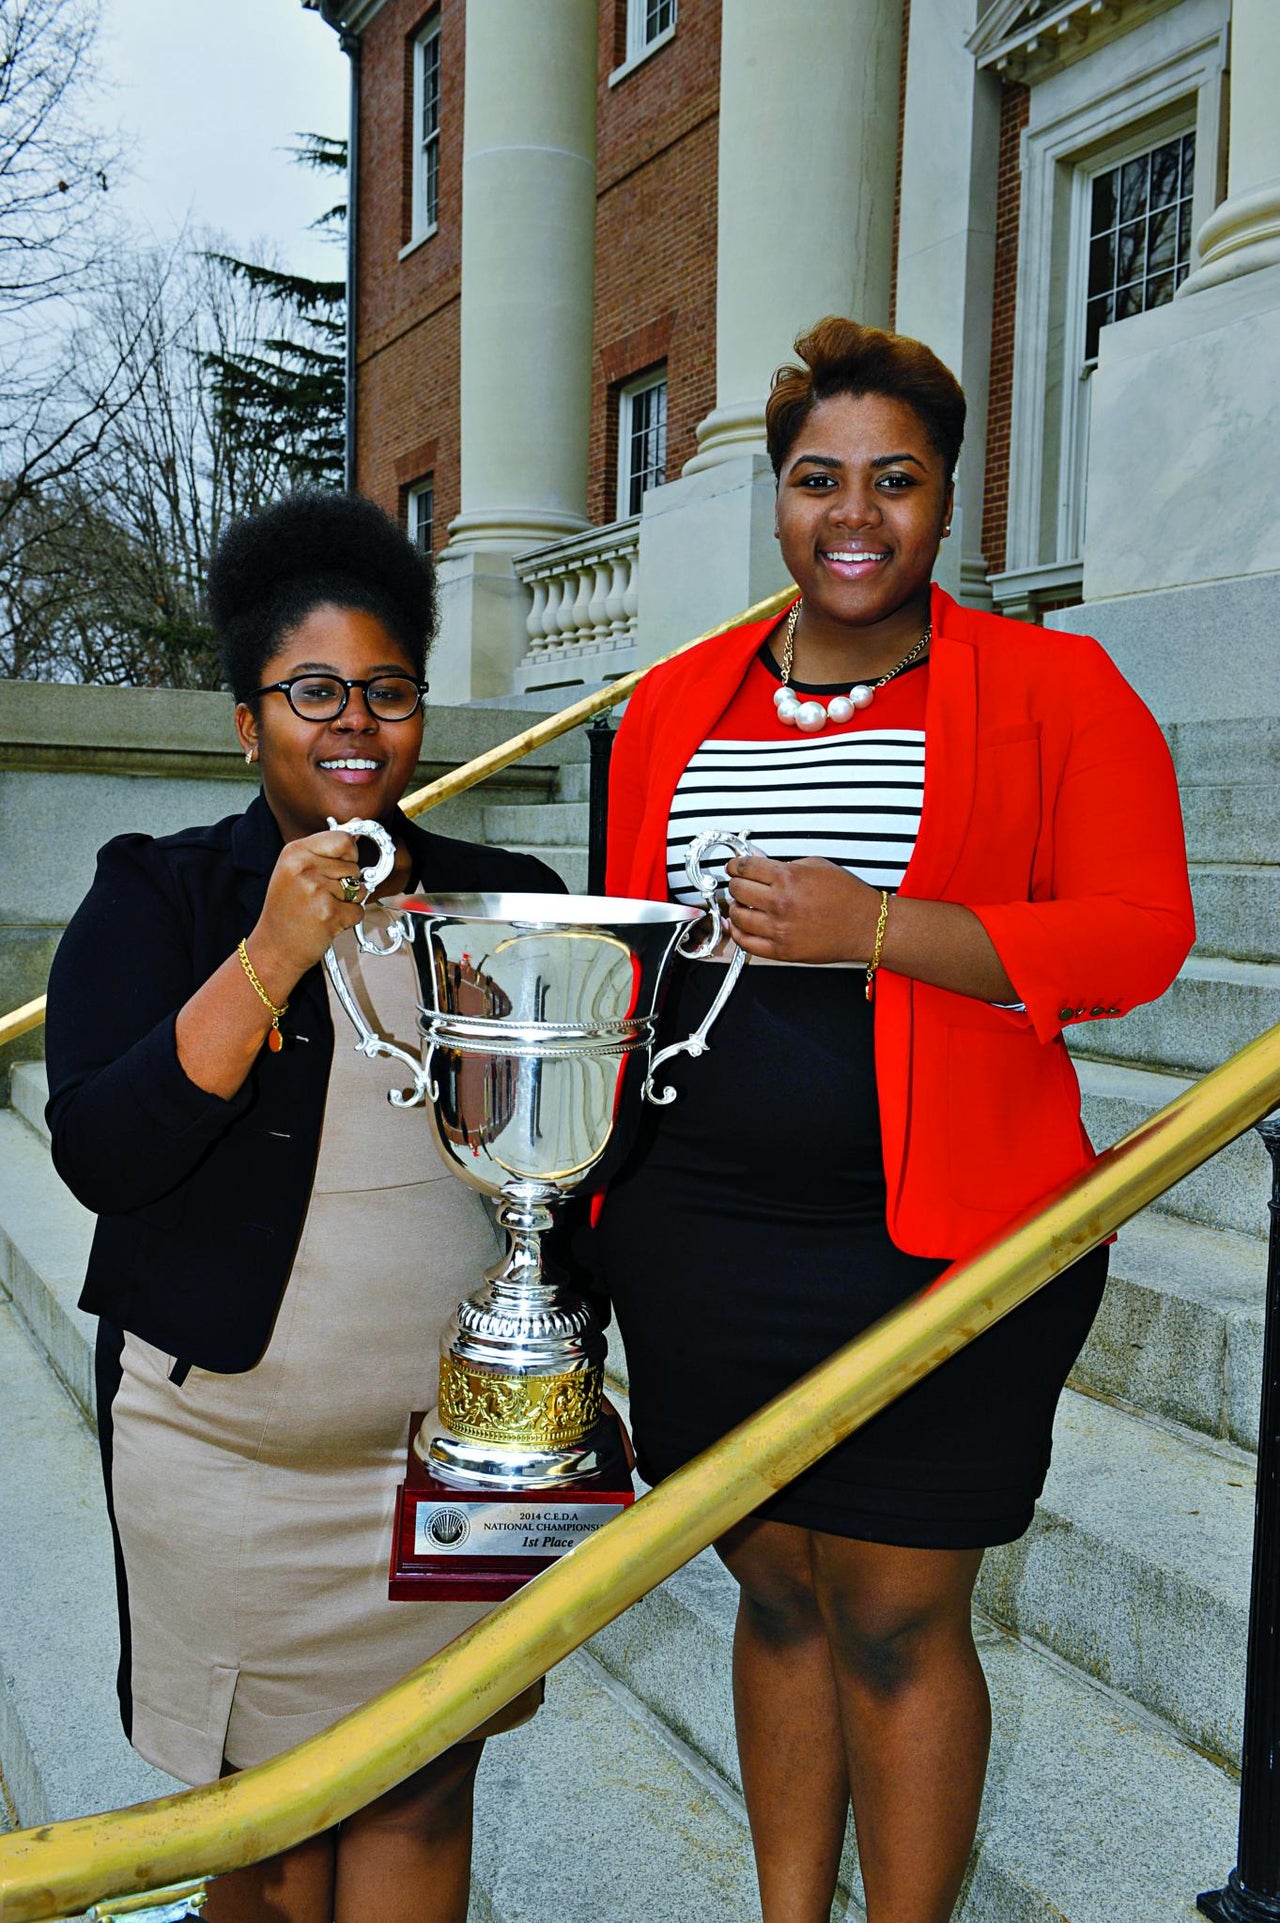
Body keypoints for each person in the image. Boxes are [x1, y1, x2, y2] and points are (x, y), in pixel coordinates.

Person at [597, 318, 1195, 1923]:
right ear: (776, 501)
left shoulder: (1056, 689)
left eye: (895, 481)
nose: (850, 515)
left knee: (895, 1610)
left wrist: (882, 928)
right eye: (815, 481)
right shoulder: (669, 705)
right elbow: (636, 948)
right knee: (777, 1592)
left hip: (949, 1234)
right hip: (701, 1231)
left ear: (945, 502)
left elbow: (1143, 933)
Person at [44, 492, 565, 1923]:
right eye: (314, 690)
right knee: (266, 1853)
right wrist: (276, 948)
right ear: (247, 719)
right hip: (231, 1474)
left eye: (388, 690)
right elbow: (103, 1149)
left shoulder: (504, 898)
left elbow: (577, 1169)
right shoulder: (159, 896)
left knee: (421, 1802)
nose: (356, 722)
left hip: (454, 1468)